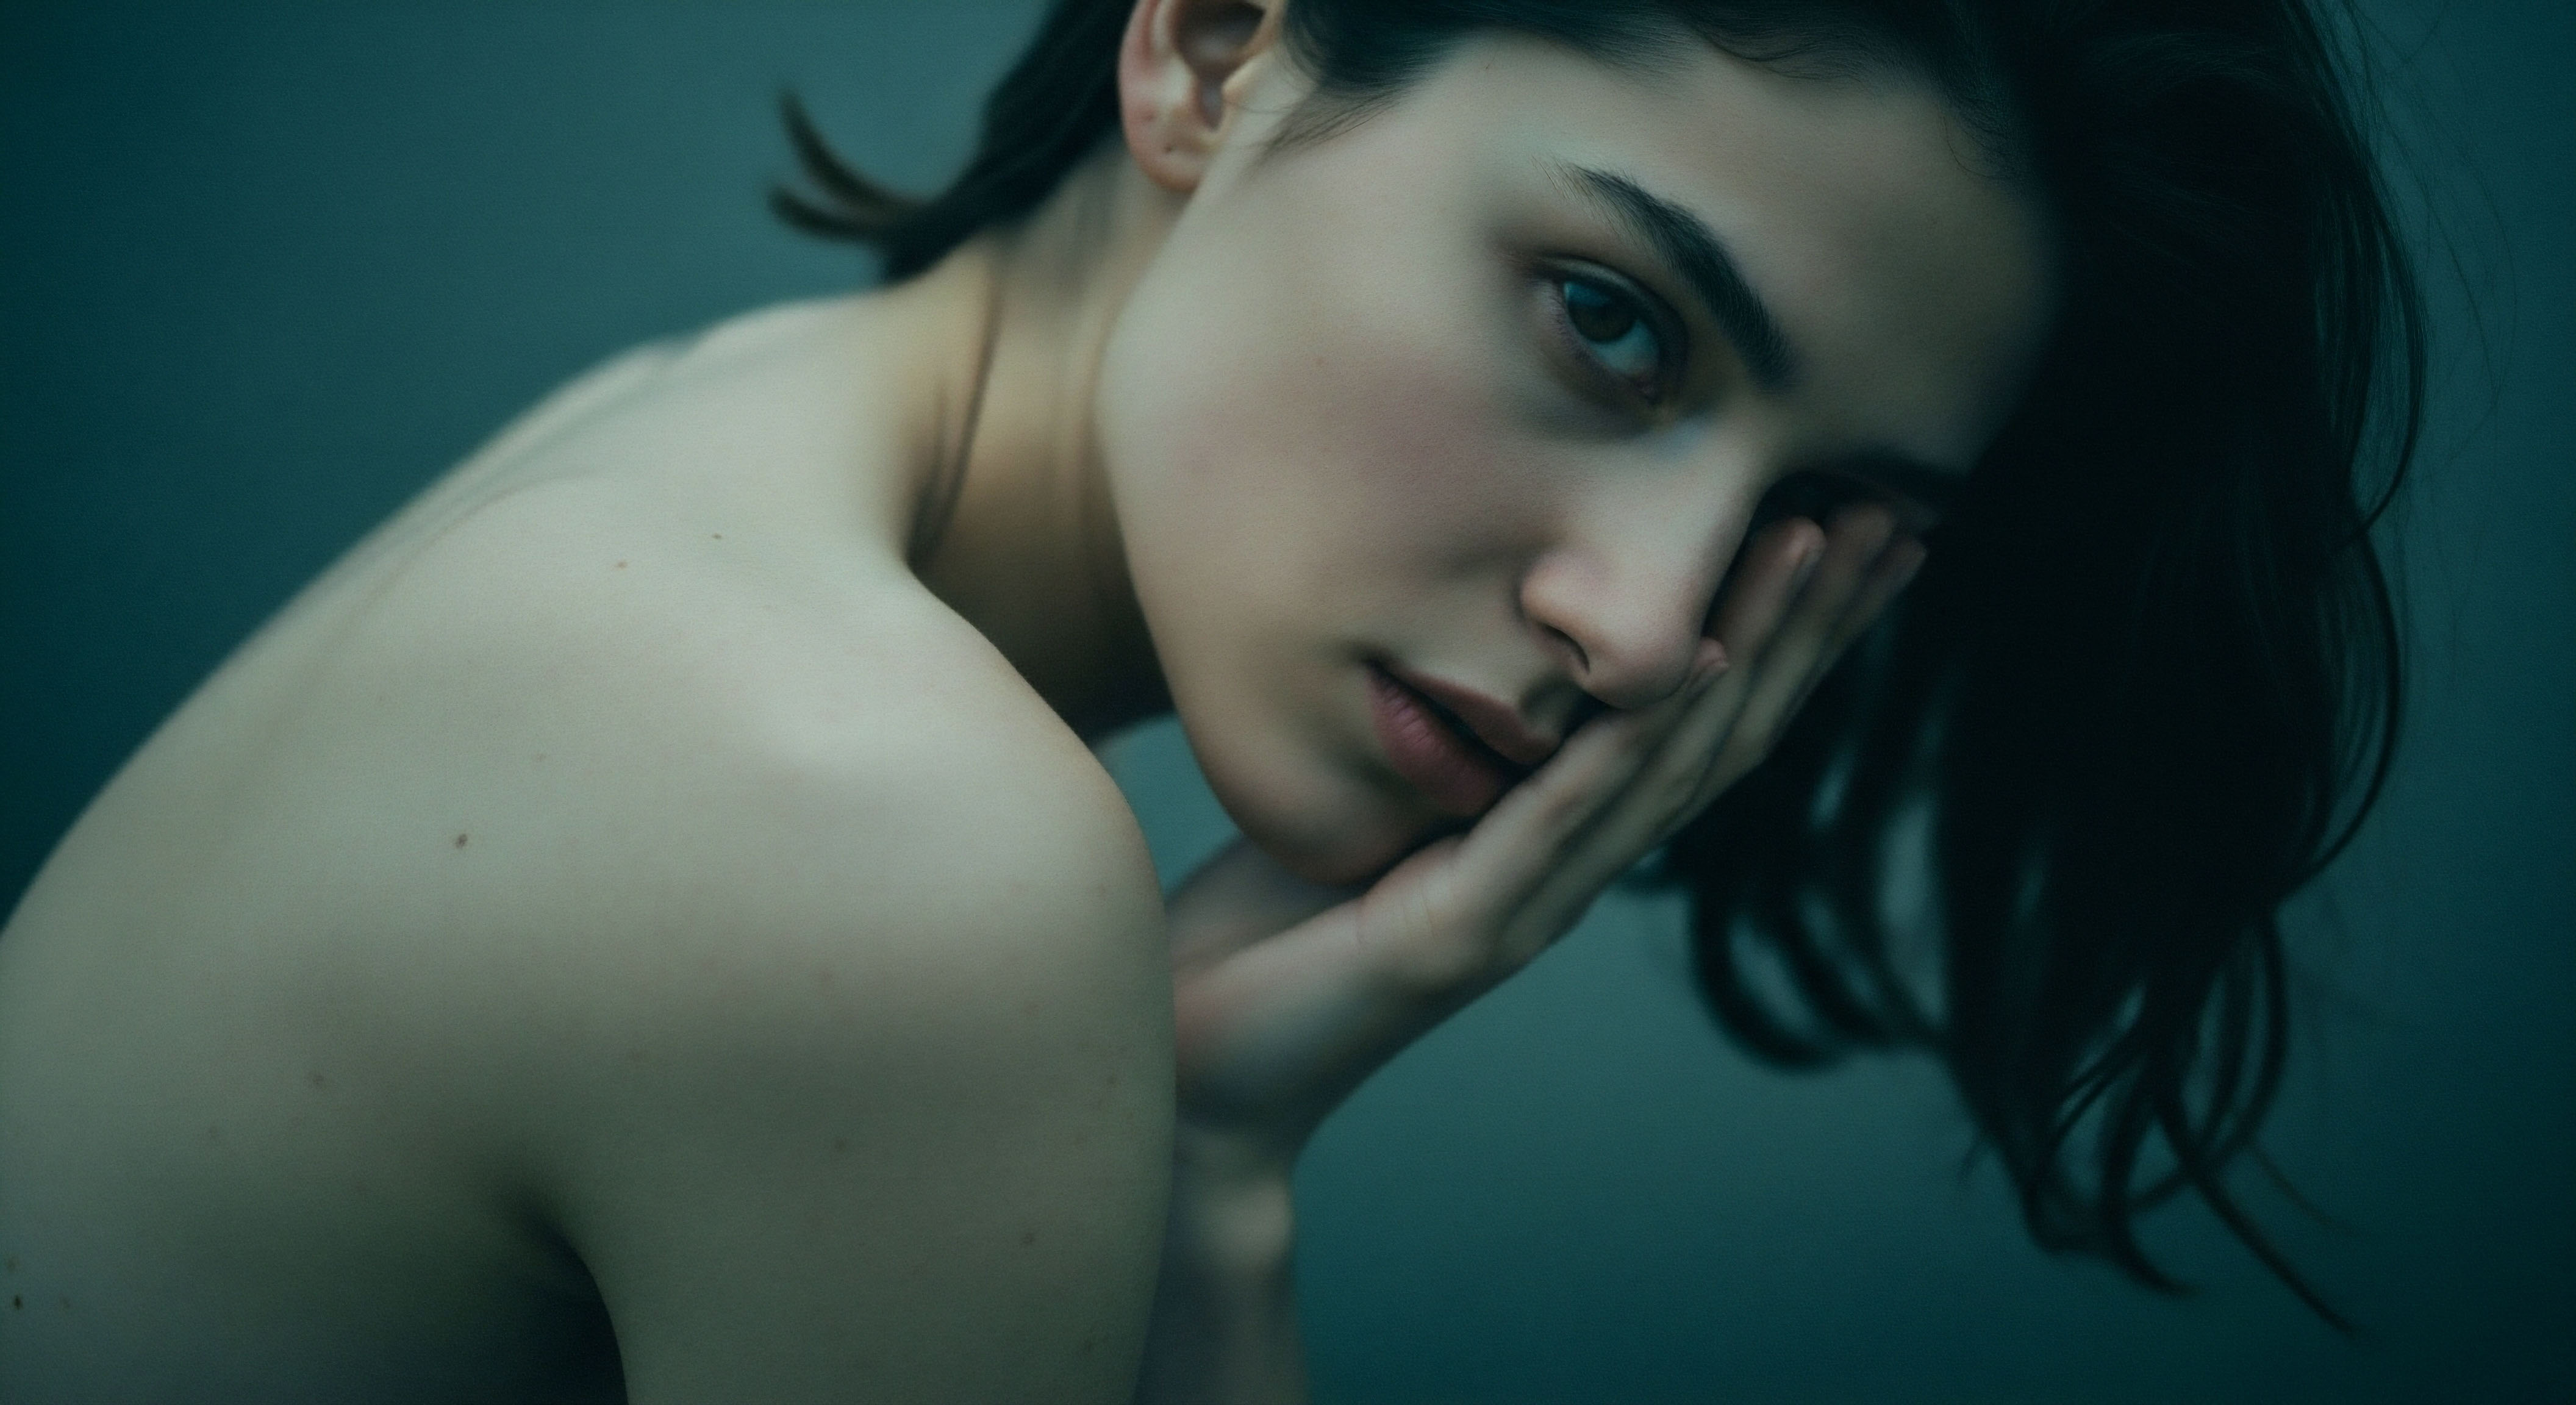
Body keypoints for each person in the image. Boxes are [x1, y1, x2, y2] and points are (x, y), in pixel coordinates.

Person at [0, 0, 2416, 1398]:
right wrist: (1216, 1204)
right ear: (1220, 46)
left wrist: (1209, 1131)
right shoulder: (872, 828)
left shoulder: (725, 429)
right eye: (1610, 317)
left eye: (1821, 519)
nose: (1664, 631)